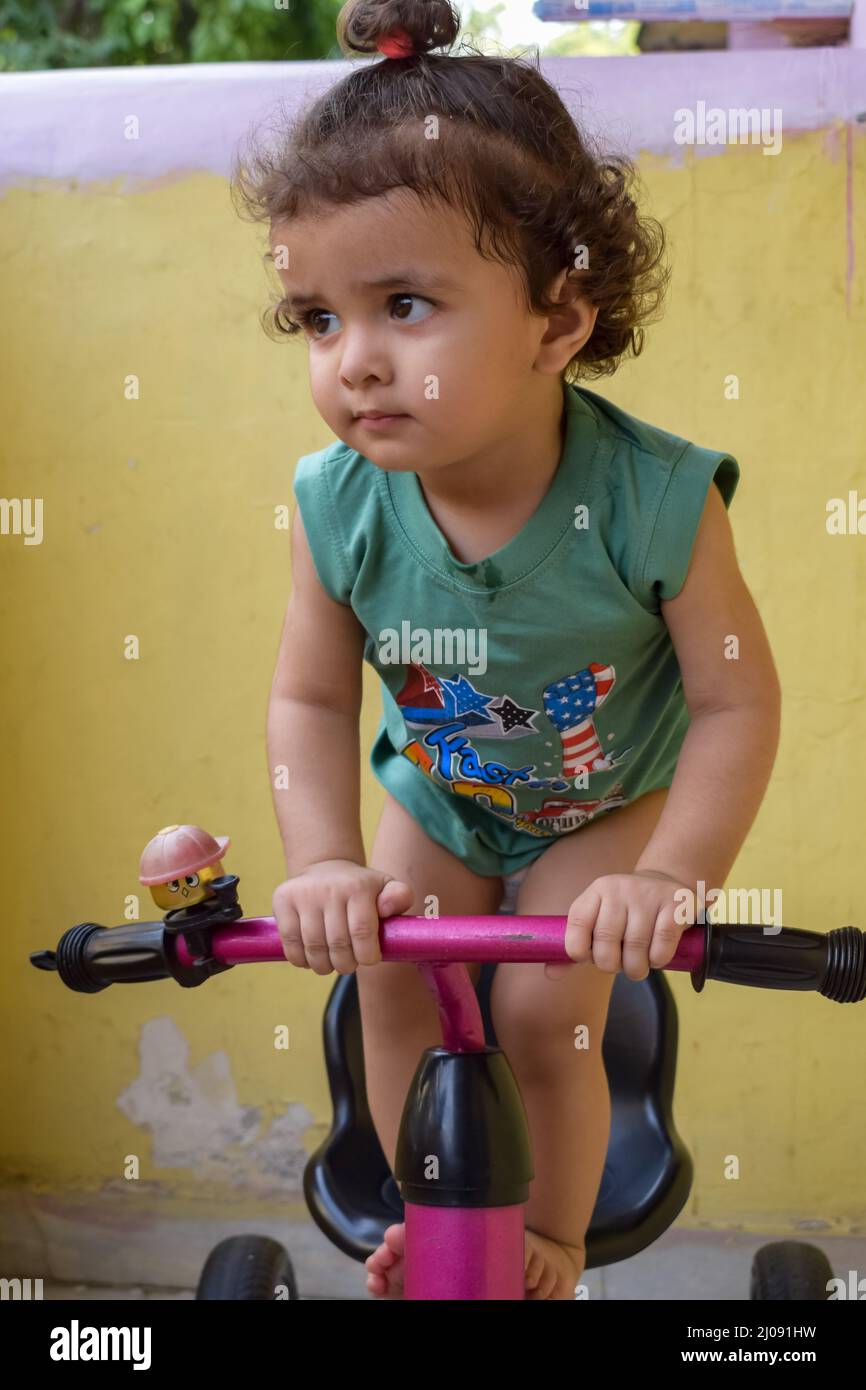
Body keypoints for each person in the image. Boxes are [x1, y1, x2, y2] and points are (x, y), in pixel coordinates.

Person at [233, 0, 782, 1300]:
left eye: (404, 305)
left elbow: (732, 705)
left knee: (544, 1012)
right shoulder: (336, 504)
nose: (353, 363)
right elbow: (308, 695)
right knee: (388, 979)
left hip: (598, 803)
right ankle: (429, 1220)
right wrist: (319, 858)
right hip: (440, 794)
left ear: (555, 321)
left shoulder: (654, 500)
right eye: (316, 319)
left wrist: (672, 874)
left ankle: (550, 1234)